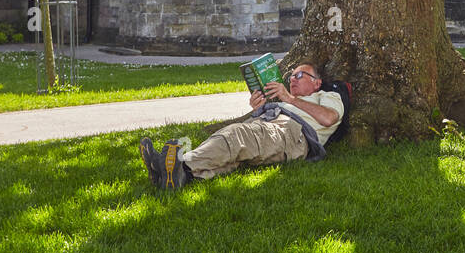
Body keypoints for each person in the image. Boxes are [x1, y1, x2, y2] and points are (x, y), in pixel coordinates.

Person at [137, 63, 347, 189]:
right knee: (234, 156)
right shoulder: (287, 99)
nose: (293, 79)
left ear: (317, 82)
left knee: (237, 135)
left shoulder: (327, 95)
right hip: (272, 127)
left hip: (293, 133)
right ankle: (177, 177)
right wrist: (259, 107)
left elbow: (329, 118)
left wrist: (290, 100)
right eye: (291, 76)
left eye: (300, 75)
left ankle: (177, 164)